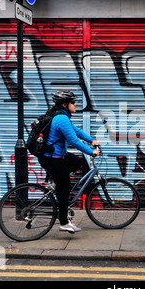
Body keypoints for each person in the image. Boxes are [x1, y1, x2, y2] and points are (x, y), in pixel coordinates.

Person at [38, 90, 100, 234]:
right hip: (53, 159)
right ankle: (64, 223)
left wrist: (91, 140)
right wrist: (91, 152)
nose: (75, 104)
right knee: (64, 188)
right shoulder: (61, 119)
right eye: (72, 102)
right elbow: (73, 141)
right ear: (65, 105)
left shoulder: (62, 116)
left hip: (57, 155)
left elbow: (76, 131)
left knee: (78, 162)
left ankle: (56, 181)